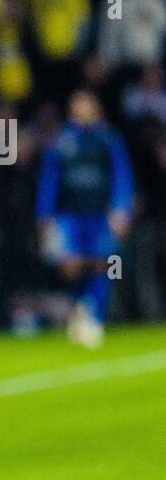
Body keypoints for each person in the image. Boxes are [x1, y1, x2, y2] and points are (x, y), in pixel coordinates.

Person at [37, 89, 136, 347]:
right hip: (69, 216)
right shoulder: (60, 141)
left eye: (86, 105)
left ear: (95, 107)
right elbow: (49, 180)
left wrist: (121, 209)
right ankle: (79, 309)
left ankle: (94, 315)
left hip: (100, 215)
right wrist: (44, 214)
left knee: (103, 264)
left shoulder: (108, 138)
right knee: (70, 266)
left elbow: (121, 175)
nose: (81, 110)